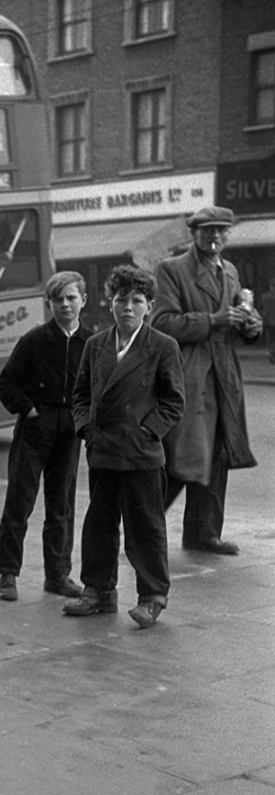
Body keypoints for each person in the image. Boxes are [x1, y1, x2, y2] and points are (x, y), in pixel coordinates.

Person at [63, 265, 184, 628]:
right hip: (102, 451)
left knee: (145, 527)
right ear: (109, 303)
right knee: (98, 523)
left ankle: (152, 597)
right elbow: (80, 395)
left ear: (149, 305)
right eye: (120, 299)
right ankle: (98, 591)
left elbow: (174, 401)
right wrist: (87, 429)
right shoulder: (95, 345)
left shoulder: (163, 346)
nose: (127, 307)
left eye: (136, 300)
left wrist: (148, 432)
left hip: (141, 453)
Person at [151, 206, 262, 556]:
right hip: (191, 370)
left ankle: (203, 533)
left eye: (221, 231)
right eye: (207, 231)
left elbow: (238, 317)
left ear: (228, 235)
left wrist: (250, 325)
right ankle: (142, 525)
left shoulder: (229, 270)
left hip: (224, 373)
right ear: (194, 234)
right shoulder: (172, 269)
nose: (215, 238)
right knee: (184, 456)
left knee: (218, 454)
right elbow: (162, 323)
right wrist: (212, 320)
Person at [0, 271, 91, 602]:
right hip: (37, 427)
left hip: (70, 431)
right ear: (49, 304)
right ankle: (7, 574)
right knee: (19, 501)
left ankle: (58, 575)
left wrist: (85, 420)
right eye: (57, 299)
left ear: (83, 301)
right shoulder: (34, 340)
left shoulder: (91, 343)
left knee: (61, 504)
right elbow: (6, 384)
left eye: (71, 298)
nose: (64, 304)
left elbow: (97, 387)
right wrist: (29, 409)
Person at [260, 275, 275, 364]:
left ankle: (271, 353)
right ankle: (273, 353)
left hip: (267, 321)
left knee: (269, 339)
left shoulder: (265, 296)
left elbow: (261, 308)